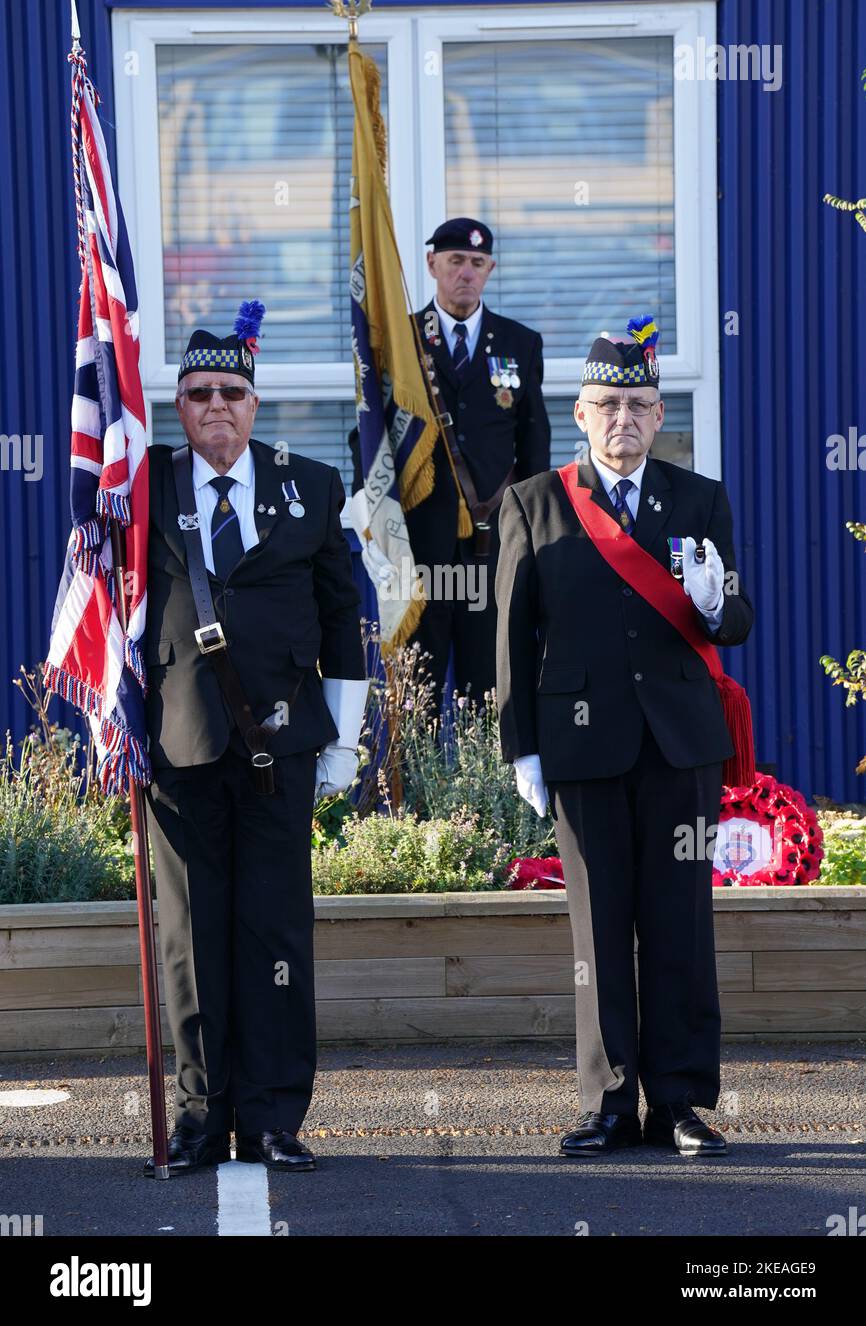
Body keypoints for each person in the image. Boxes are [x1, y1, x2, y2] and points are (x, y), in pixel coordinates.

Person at [495, 315, 754, 1158]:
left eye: (640, 405)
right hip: (582, 746)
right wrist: (522, 747)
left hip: (681, 744)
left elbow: (738, 618)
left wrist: (717, 603)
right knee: (599, 931)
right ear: (579, 412)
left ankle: (679, 1101)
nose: (624, 420)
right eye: (608, 404)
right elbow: (511, 633)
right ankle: (609, 1102)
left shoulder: (697, 498)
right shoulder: (535, 503)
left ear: (658, 414)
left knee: (679, 923)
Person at [142, 303, 368, 1176]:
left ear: (255, 402)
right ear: (179, 405)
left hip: (281, 745)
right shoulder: (144, 486)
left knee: (275, 934)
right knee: (191, 937)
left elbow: (344, 615)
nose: (215, 407)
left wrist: (344, 737)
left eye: (231, 391)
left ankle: (273, 1115)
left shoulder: (308, 484)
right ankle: (202, 1115)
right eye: (198, 393)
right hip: (180, 743)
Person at [349, 217, 550, 714]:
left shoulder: (519, 343)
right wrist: (369, 519)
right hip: (418, 547)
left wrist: (534, 531)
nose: (466, 273)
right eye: (456, 260)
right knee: (416, 690)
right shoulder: (401, 342)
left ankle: (491, 794)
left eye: (477, 263)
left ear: (490, 270)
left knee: (489, 689)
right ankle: (415, 793)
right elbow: (368, 435)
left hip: (494, 545)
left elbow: (533, 440)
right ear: (432, 264)